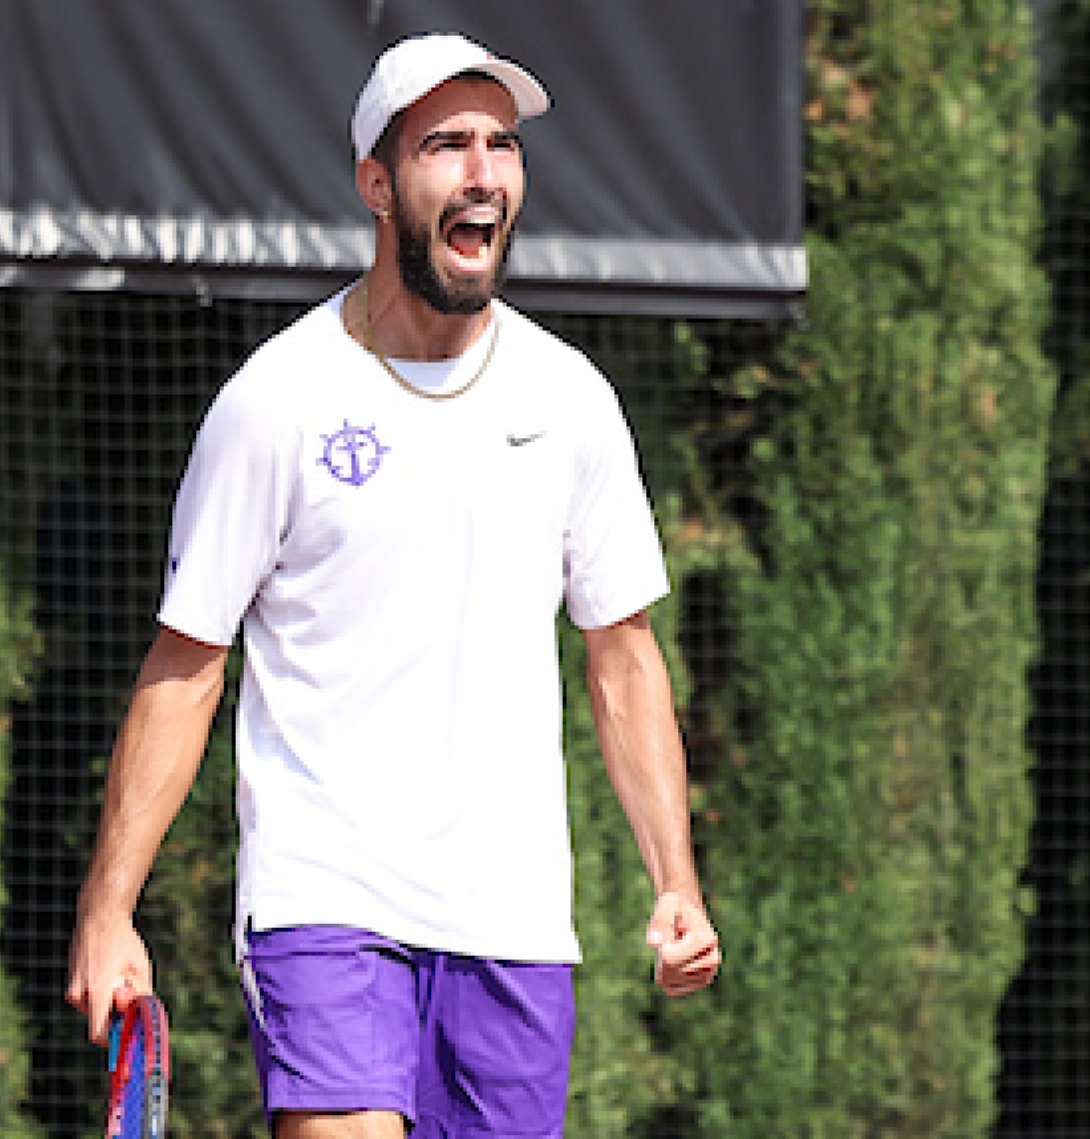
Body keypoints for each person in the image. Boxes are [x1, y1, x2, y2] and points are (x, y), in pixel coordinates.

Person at [66, 32, 721, 1138]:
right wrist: (107, 906)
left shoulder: (570, 400)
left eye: (502, 144)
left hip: (514, 923)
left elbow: (622, 654)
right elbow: (187, 666)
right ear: (378, 183)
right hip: (325, 899)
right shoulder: (276, 400)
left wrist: (676, 878)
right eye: (446, 145)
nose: (482, 171)